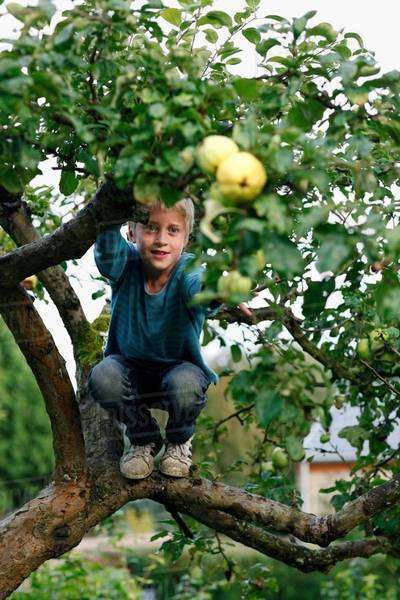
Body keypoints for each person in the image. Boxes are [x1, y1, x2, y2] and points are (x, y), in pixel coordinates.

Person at [88, 198, 252, 479]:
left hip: (178, 372)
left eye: (173, 230)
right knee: (103, 377)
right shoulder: (126, 263)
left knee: (186, 384)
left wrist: (221, 290)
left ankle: (179, 440)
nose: (161, 239)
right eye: (151, 228)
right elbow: (106, 254)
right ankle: (143, 438)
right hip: (129, 371)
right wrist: (113, 207)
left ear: (186, 239)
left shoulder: (189, 268)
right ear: (131, 232)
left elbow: (198, 286)